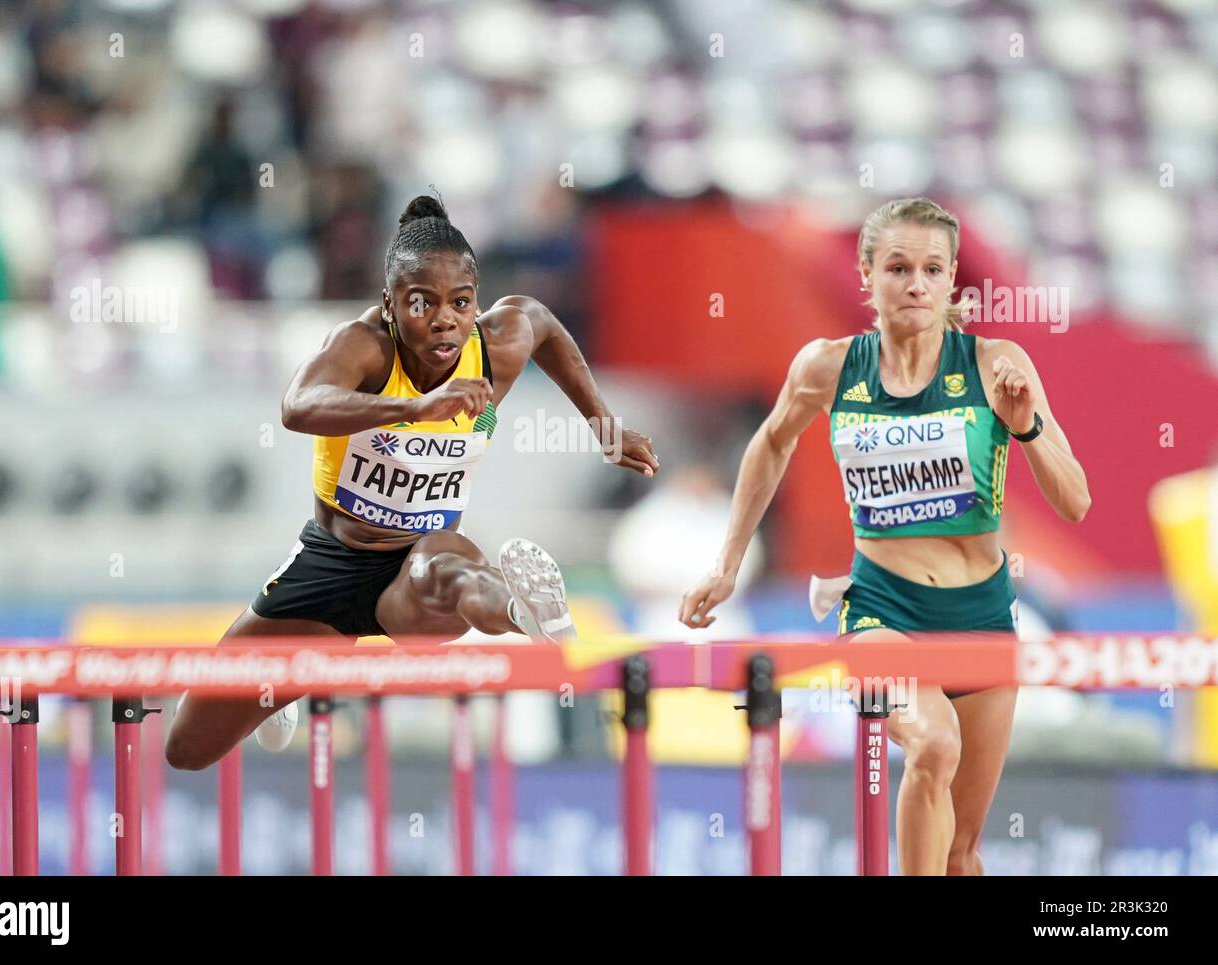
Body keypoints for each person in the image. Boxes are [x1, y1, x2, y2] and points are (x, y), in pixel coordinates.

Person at [166, 194, 659, 770]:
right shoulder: (364, 346)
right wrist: (413, 409)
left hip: (417, 561)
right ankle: (284, 689)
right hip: (330, 566)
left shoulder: (494, 345)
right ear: (391, 304)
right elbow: (297, 406)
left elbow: (546, 328)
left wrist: (602, 424)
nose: (444, 318)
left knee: (449, 572)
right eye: (422, 303)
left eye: (460, 302)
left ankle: (523, 611)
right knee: (188, 750)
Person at [679, 197, 1091, 875]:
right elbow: (769, 444)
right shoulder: (830, 366)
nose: (916, 284)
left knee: (961, 854)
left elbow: (1075, 501)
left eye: (932, 269)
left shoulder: (995, 364)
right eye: (898, 267)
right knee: (931, 742)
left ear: (953, 277)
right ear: (868, 274)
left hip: (982, 616)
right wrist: (727, 563)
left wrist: (1029, 428)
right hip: (881, 612)